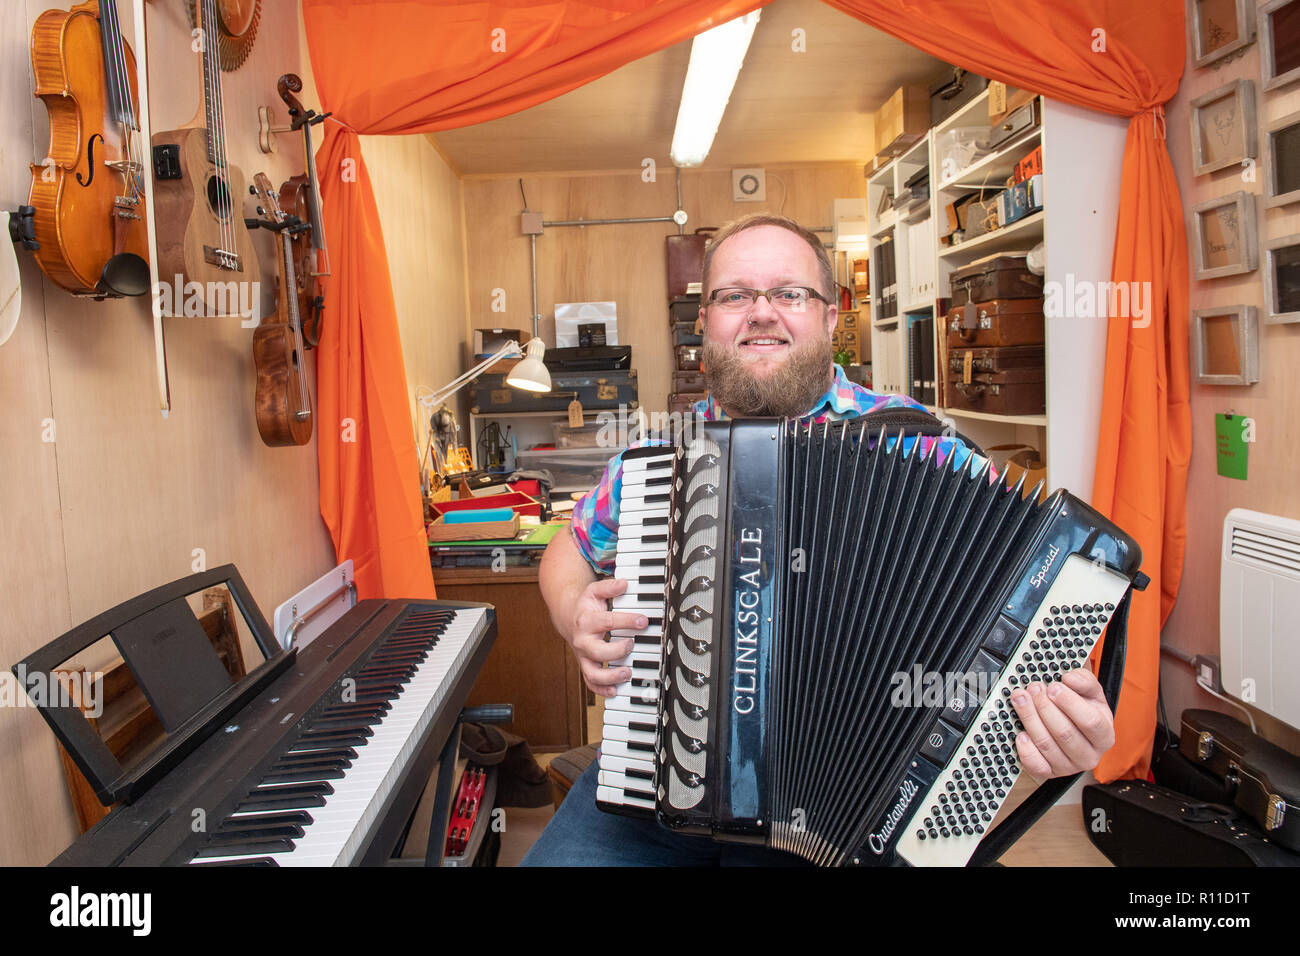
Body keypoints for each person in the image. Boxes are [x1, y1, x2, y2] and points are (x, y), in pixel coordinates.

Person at [521, 214, 1117, 866]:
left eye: (789, 293)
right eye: (734, 295)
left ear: (832, 317)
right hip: (658, 778)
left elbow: (1020, 645)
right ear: (704, 323)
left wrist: (1060, 723)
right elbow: (570, 547)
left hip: (855, 817)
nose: (761, 313)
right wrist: (575, 607)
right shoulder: (662, 453)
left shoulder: (928, 450)